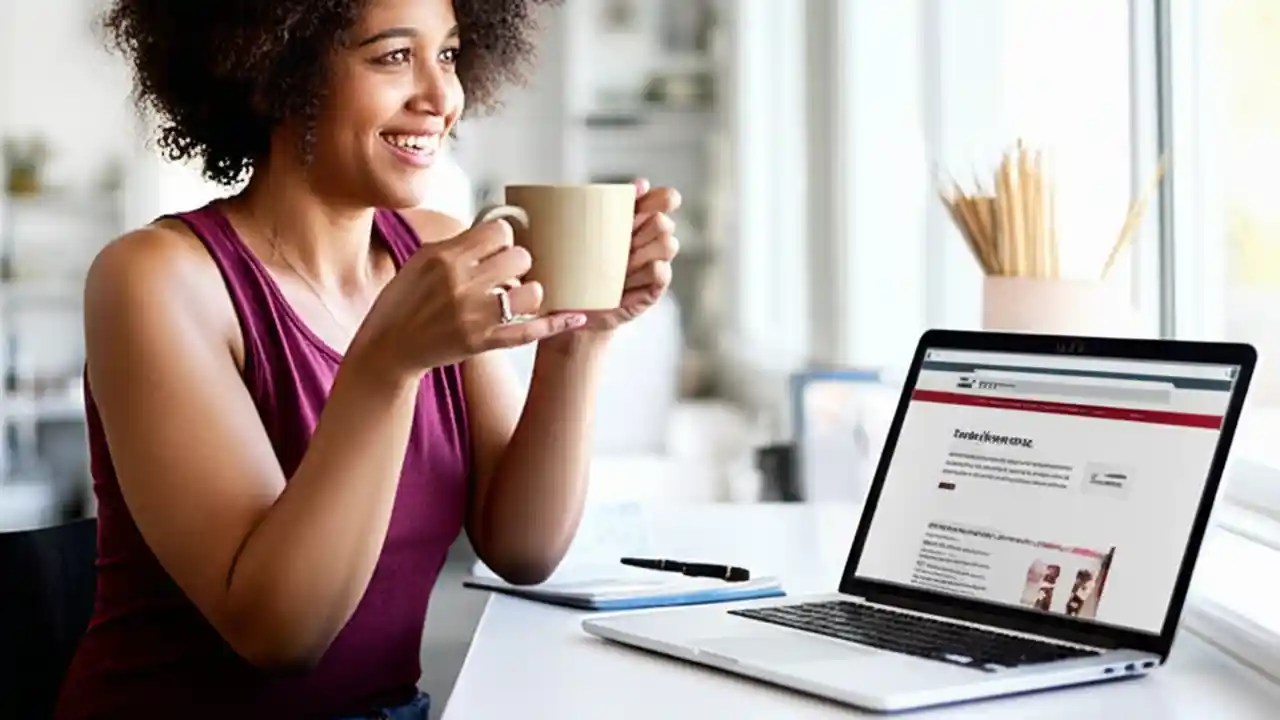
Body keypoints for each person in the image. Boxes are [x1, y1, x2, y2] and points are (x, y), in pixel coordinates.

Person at [55, 0, 681, 717]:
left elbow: (523, 547)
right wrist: (388, 365)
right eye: (393, 57)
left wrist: (579, 336)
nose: (441, 97)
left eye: (448, 55)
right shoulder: (156, 279)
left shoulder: (435, 250)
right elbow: (279, 634)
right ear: (278, 70)